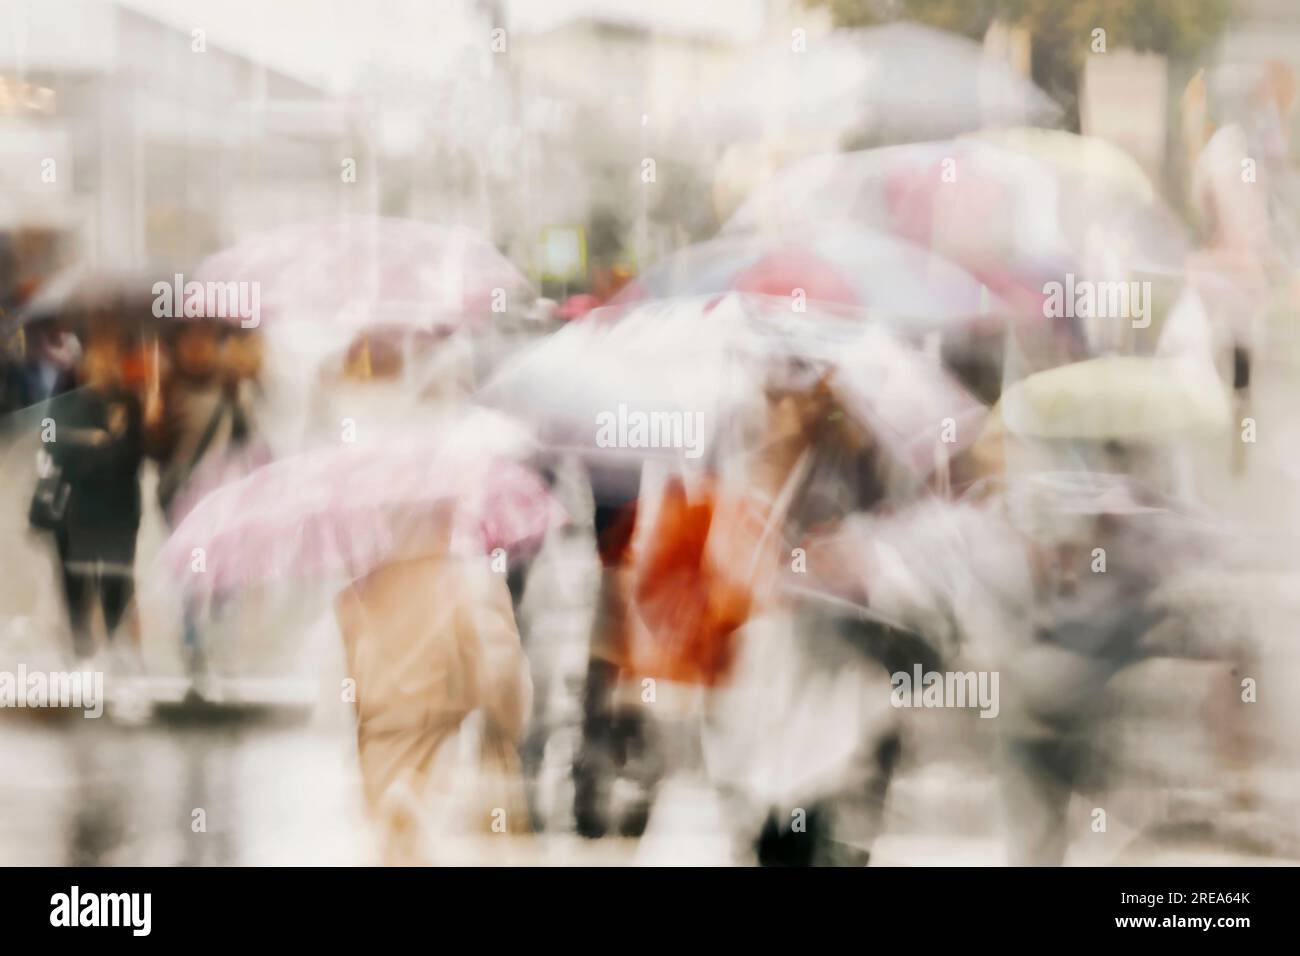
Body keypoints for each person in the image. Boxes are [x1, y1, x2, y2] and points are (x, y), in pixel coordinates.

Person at [45, 329, 145, 659]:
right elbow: (53, 447)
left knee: (115, 585)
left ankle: (117, 655)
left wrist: (118, 436)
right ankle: (81, 656)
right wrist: (95, 444)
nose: (103, 363)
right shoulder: (67, 400)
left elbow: (136, 456)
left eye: (111, 354)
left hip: (118, 510)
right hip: (76, 510)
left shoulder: (130, 401)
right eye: (97, 355)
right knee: (76, 587)